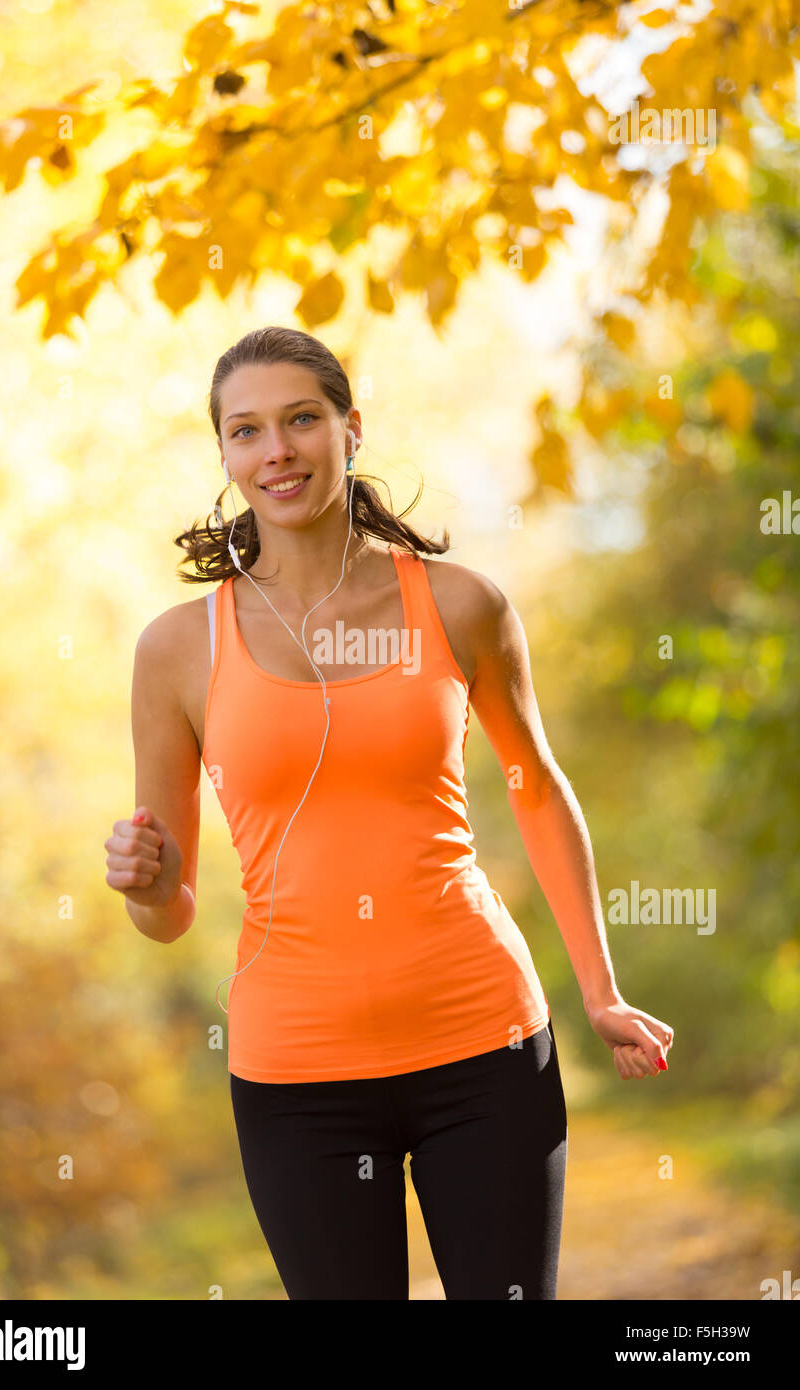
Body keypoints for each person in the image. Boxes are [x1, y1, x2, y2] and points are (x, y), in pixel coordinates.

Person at [104, 325, 674, 1300]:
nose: (274, 449)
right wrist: (145, 884)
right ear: (226, 456)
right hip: (295, 1075)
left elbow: (533, 786)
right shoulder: (177, 651)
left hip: (481, 1044)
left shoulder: (460, 606)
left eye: (299, 420)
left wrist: (598, 988)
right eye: (246, 431)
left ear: (349, 430)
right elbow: (170, 914)